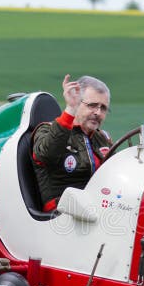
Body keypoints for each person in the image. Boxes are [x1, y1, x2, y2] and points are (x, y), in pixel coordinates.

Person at [31, 74, 113, 212]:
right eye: (92, 105)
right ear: (76, 101)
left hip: (98, 209)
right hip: (61, 217)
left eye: (103, 108)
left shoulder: (102, 137)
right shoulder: (47, 130)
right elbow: (46, 155)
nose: (98, 112)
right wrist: (70, 110)